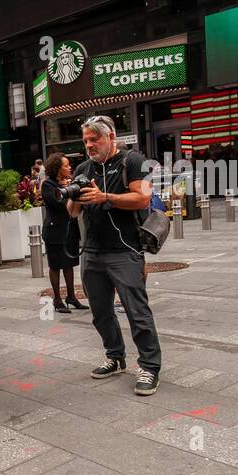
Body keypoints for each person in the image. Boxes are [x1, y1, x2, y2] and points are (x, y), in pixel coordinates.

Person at [65, 115, 162, 396]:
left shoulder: (133, 161)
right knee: (100, 312)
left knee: (137, 311)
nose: (89, 145)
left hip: (125, 250)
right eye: (85, 140)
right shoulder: (84, 168)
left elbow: (142, 198)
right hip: (92, 252)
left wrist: (105, 197)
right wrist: (74, 196)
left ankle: (150, 366)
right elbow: (73, 212)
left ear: (111, 138)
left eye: (94, 139)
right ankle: (115, 356)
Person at [40, 152, 87, 313]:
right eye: (66, 165)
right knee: (55, 266)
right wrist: (68, 191)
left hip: (69, 230)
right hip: (55, 232)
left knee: (69, 265)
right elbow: (58, 204)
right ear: (57, 168)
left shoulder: (70, 184)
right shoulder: (48, 185)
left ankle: (72, 297)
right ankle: (57, 299)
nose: (69, 168)